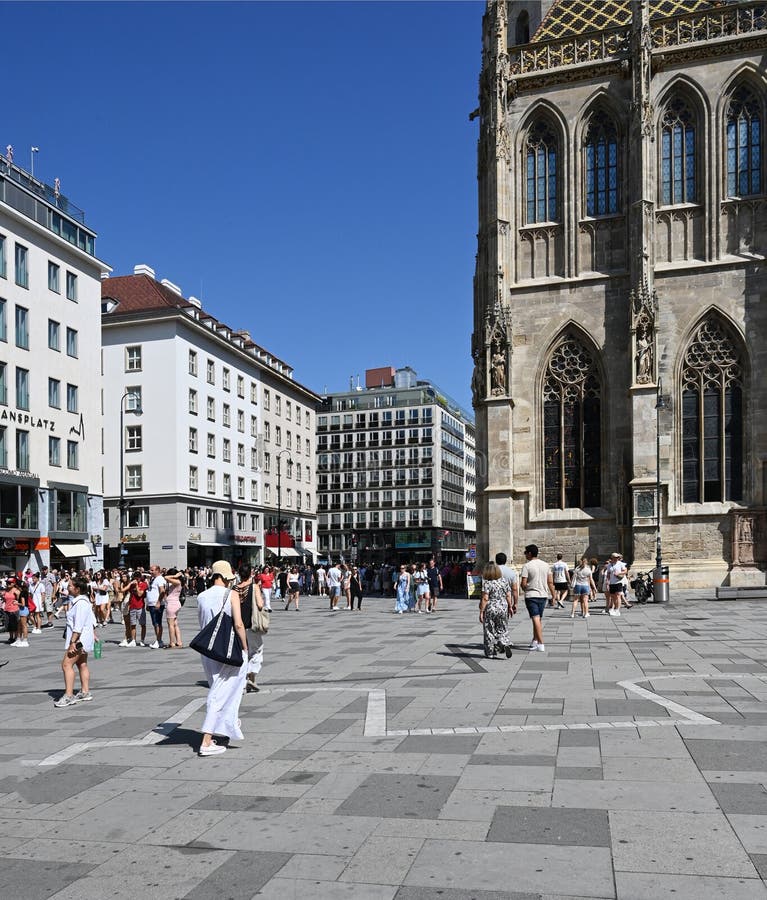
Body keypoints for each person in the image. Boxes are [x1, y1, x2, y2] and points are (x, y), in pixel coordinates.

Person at [196, 560, 248, 756]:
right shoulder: (231, 593)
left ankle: (228, 725)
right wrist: (244, 647)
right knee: (221, 693)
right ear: (226, 576)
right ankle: (207, 741)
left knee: (217, 687)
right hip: (228, 649)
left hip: (208, 650)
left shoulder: (201, 596)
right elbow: (239, 624)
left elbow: (202, 623)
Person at [54, 576, 96, 707]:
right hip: (84, 639)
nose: (68, 587)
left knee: (66, 665)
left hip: (79, 640)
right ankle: (85, 691)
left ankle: (69, 695)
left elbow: (78, 625)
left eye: (70, 585)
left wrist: (73, 642)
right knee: (82, 664)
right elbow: (92, 621)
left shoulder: (81, 603)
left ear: (77, 589)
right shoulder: (81, 602)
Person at [520, 544, 555, 653]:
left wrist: (525, 588)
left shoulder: (527, 566)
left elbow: (523, 583)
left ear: (530, 553)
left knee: (535, 618)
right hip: (543, 595)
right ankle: (535, 640)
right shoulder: (546, 565)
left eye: (525, 552)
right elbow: (550, 582)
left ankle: (541, 643)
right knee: (538, 619)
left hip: (531, 595)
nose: (525, 554)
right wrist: (554, 595)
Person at [237, 564, 265, 693]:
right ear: (250, 574)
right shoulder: (254, 587)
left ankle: (249, 681)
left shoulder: (234, 588)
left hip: (237, 626)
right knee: (256, 651)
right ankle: (249, 675)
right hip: (250, 624)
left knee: (243, 653)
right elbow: (260, 605)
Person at [479, 560, 514, 659]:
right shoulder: (504, 581)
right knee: (502, 627)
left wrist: (481, 612)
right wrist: (510, 607)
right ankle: (503, 641)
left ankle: (490, 652)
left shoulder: (487, 583)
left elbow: (485, 598)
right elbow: (508, 595)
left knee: (489, 630)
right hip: (503, 606)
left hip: (491, 607)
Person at [146, 564, 167, 648]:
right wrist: (148, 603)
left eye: (152, 570)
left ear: (158, 570)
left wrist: (158, 602)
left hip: (156, 604)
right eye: (150, 570)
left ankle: (159, 640)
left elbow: (162, 591)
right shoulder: (153, 579)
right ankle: (158, 640)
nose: (150, 572)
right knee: (155, 623)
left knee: (157, 623)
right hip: (152, 604)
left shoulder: (160, 579)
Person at [164, 567, 185, 648]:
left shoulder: (176, 581)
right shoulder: (178, 582)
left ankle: (172, 642)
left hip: (172, 604)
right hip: (176, 603)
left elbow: (166, 577)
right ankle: (179, 641)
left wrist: (175, 576)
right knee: (175, 624)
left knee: (171, 624)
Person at [494, 552, 519, 617]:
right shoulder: (511, 572)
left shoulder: (491, 571)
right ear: (505, 560)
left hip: (492, 601)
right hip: (506, 601)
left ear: (496, 560)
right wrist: (515, 603)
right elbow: (514, 589)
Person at [3, 578, 20, 646]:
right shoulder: (6, 590)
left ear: (14, 583)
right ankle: (11, 637)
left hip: (14, 609)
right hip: (7, 609)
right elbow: (5, 600)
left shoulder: (16, 591)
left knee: (15, 625)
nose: (8, 584)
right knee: (9, 625)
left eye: (10, 583)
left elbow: (20, 600)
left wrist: (17, 600)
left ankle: (16, 638)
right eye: (7, 583)